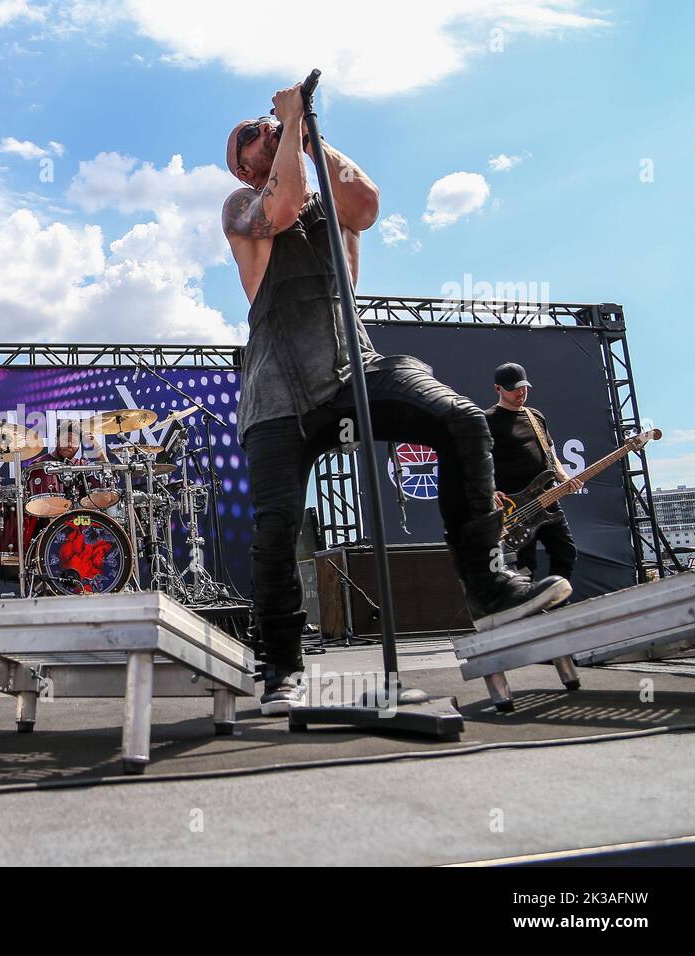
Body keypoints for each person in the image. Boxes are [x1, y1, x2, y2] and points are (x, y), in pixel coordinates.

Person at [222, 83, 570, 713]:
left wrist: (305, 134)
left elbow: (366, 201)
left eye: (269, 136)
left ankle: (487, 581)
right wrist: (291, 122)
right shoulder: (242, 207)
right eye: (254, 147)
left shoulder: (329, 196)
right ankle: (279, 664)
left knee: (462, 419)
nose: (266, 145)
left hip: (354, 367)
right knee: (277, 524)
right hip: (277, 392)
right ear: (244, 168)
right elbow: (283, 204)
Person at [485, 362, 580, 584]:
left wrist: (563, 476)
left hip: (546, 499)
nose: (521, 392)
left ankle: (557, 604)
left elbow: (549, 453)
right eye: (513, 388)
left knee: (566, 552)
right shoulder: (487, 420)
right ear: (498, 389)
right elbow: (476, 461)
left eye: (524, 386)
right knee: (524, 565)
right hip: (514, 506)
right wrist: (490, 491)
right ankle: (529, 609)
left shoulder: (535, 416)